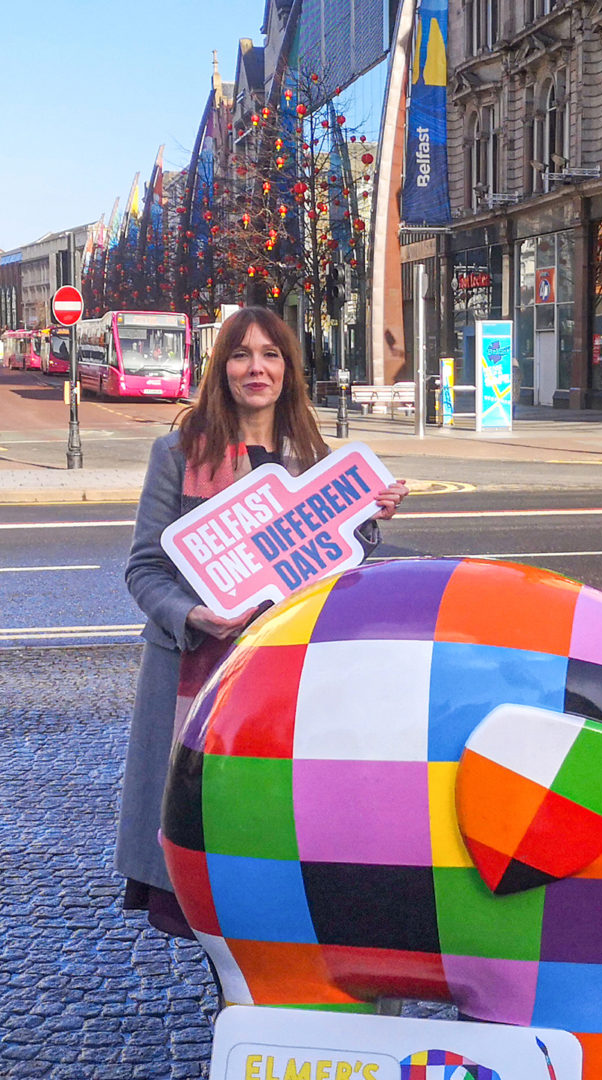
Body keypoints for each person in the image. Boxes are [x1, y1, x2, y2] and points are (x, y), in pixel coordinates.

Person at [116, 306, 411, 941]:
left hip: (291, 682)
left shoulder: (317, 458)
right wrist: (193, 614)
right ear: (221, 368)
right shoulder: (178, 453)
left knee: (280, 845)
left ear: (289, 369)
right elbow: (144, 569)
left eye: (271, 354)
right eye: (242, 354)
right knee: (209, 850)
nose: (257, 368)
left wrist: (372, 514)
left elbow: (345, 565)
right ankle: (232, 997)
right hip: (198, 679)